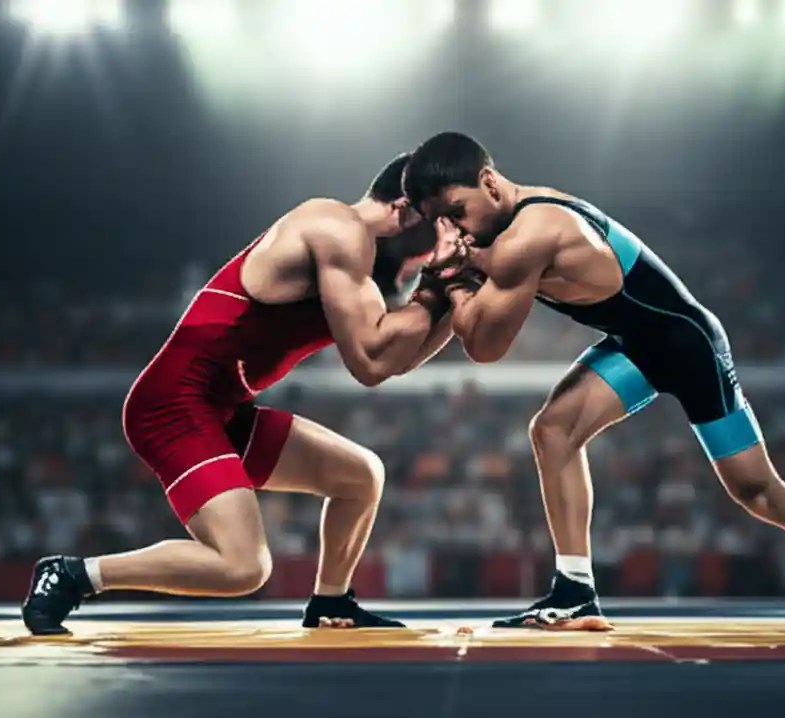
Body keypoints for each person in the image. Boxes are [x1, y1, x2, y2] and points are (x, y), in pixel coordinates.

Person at [402, 132, 785, 631]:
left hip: (689, 345)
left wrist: (453, 275)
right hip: (635, 344)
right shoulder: (494, 233)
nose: (452, 229)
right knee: (552, 430)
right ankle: (576, 592)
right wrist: (462, 269)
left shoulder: (532, 233)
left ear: (489, 183)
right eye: (438, 222)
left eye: (456, 212)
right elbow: (475, 327)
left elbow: (485, 347)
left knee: (756, 491)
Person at [22, 153, 458, 635]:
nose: (450, 234)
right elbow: (369, 364)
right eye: (445, 220)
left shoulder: (362, 281)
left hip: (221, 408)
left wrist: (452, 297)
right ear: (404, 206)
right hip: (172, 403)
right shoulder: (332, 225)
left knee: (360, 476)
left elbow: (394, 361)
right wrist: (443, 286)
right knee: (243, 566)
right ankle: (74, 575)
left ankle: (331, 603)